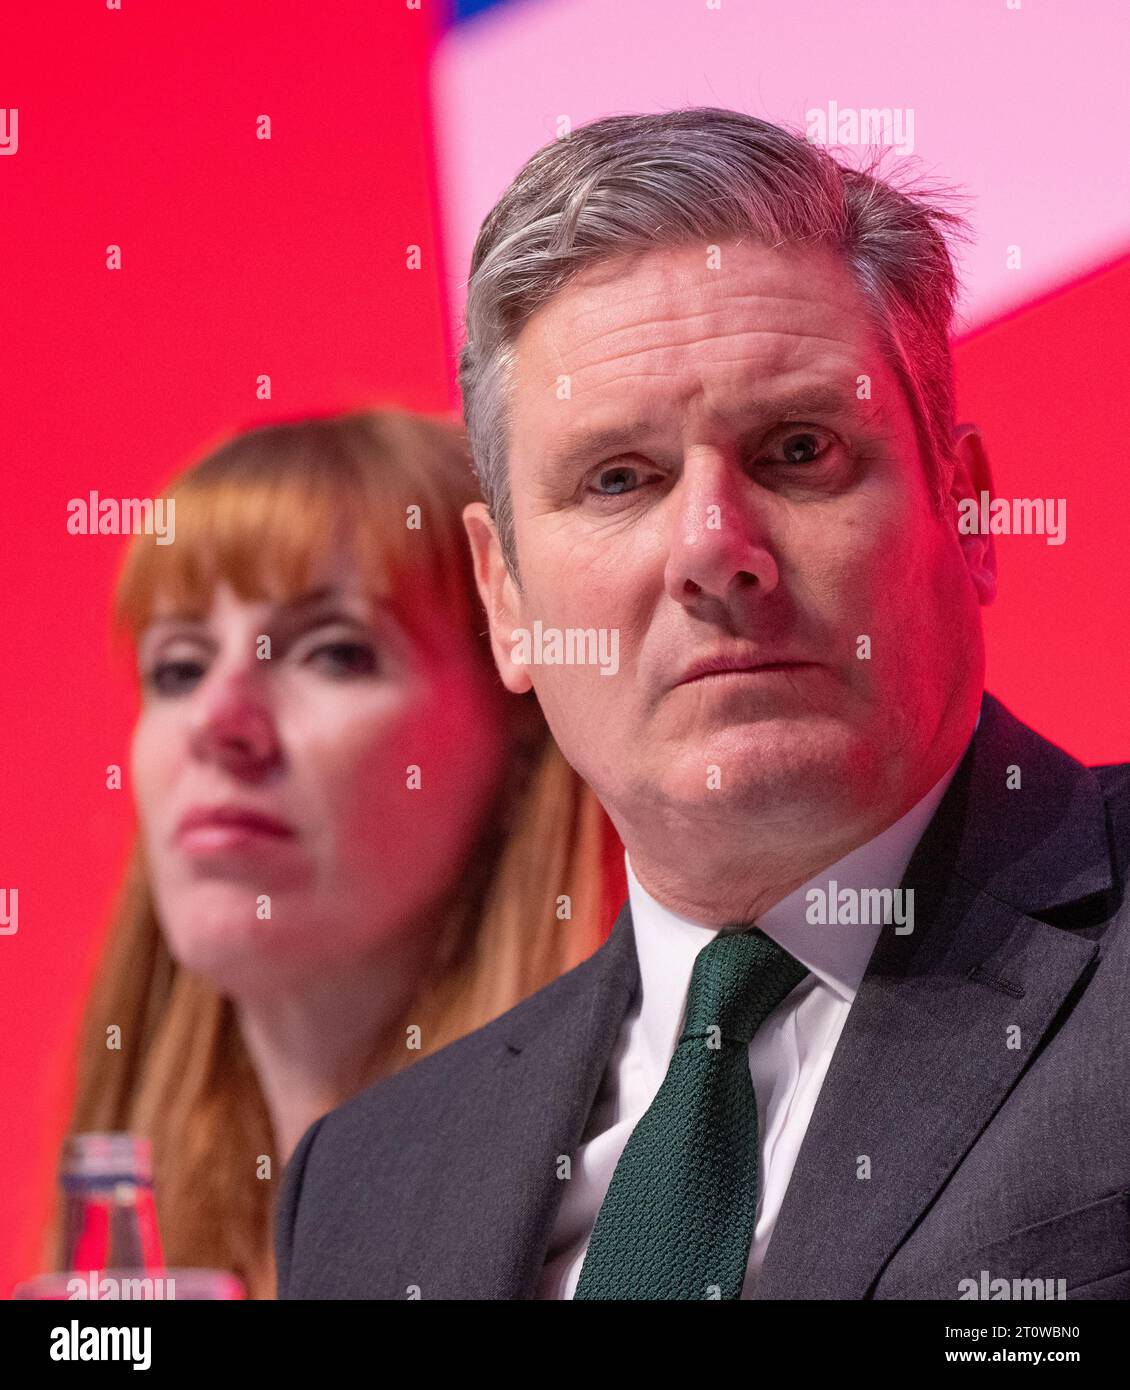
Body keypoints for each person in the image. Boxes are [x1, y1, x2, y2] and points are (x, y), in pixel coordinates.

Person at [275, 111, 1130, 1300]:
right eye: (617, 478)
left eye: (795, 450)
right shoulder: (366, 1187)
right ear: (505, 597)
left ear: (966, 510)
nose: (714, 548)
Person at [48, 407, 623, 1299]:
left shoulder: (621, 1222)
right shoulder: (121, 1266)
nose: (217, 721)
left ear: (523, 739)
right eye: (178, 668)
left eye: (333, 653)